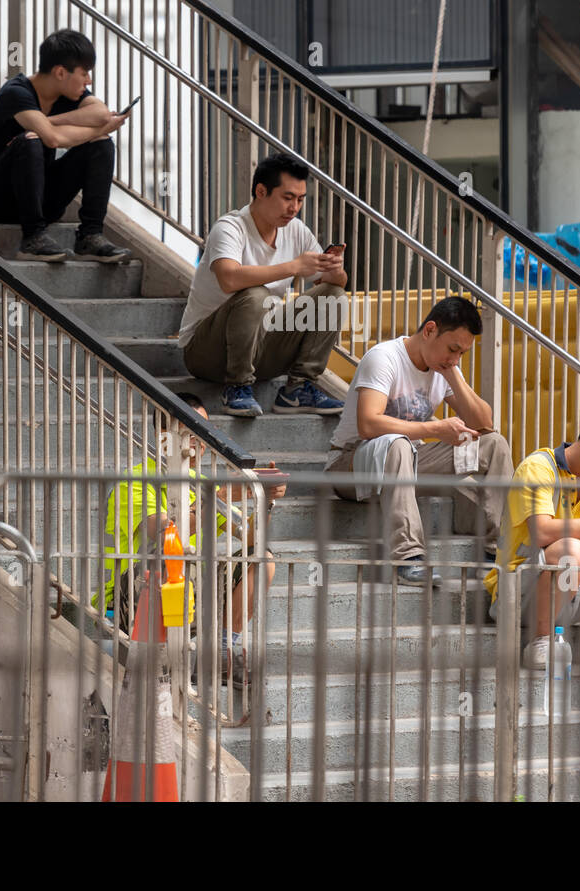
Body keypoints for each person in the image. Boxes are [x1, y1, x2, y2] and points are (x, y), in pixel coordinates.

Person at [326, 296, 513, 587]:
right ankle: (408, 558)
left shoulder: (444, 367)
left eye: (463, 353)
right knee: (398, 443)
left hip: (407, 464)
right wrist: (436, 428)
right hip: (350, 466)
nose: (455, 358)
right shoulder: (384, 357)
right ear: (429, 330)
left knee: (494, 444)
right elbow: (368, 423)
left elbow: (484, 423)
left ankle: (490, 555)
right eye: (453, 349)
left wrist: (454, 374)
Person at [97, 394, 281, 686]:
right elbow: (163, 534)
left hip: (187, 595)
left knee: (261, 559)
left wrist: (264, 502)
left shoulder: (202, 483)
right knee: (169, 558)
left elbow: (250, 539)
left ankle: (219, 652)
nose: (199, 438)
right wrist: (218, 498)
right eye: (190, 429)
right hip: (133, 600)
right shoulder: (135, 479)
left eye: (203, 430)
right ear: (163, 436)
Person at [178, 153, 347, 418]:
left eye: (300, 200)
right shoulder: (230, 227)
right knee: (256, 294)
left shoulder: (297, 230)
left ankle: (299, 388)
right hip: (205, 352)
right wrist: (293, 267)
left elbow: (335, 284)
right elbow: (229, 278)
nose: (294, 208)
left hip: (260, 347)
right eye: (288, 197)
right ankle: (237, 388)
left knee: (334, 296)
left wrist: (335, 270)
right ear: (261, 191)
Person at [485, 400, 580, 668]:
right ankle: (540, 642)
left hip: (575, 594)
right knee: (571, 550)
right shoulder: (539, 466)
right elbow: (541, 531)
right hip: (519, 593)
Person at [0, 29, 133, 264]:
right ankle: (33, 238)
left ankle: (90, 235)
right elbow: (52, 139)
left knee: (101, 145)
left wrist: (48, 121)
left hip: (42, 199)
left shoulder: (67, 95)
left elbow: (100, 112)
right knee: (31, 139)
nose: (88, 81)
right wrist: (98, 129)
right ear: (60, 72)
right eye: (84, 73)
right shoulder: (16, 93)